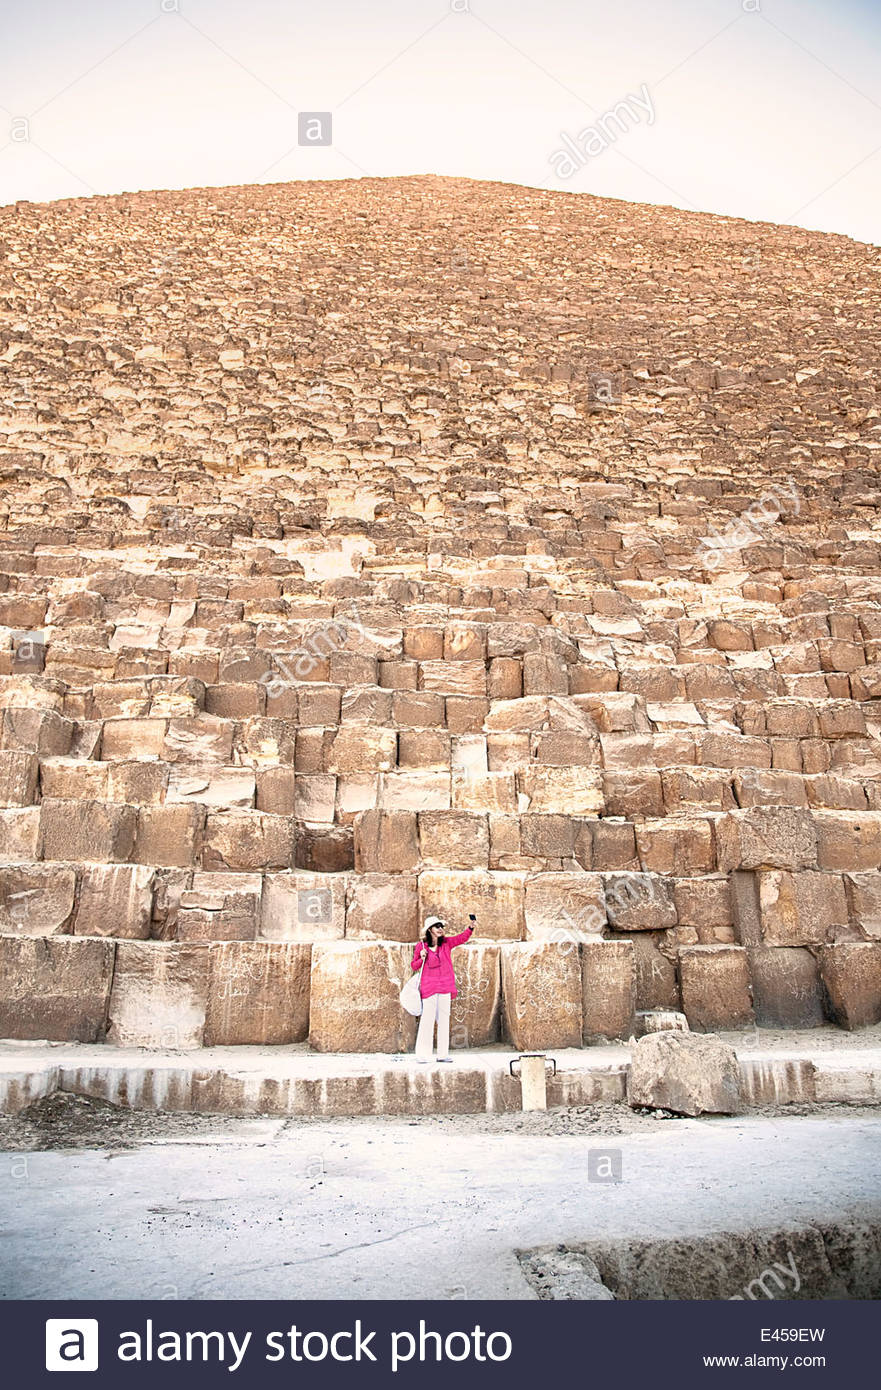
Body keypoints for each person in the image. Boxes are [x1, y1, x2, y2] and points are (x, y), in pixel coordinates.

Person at [411, 913, 475, 1063]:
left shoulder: (446, 943)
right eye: (437, 926)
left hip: (445, 986)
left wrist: (470, 928)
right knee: (427, 1019)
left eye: (441, 926)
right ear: (430, 930)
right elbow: (414, 966)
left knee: (444, 1020)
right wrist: (421, 957)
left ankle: (442, 1054)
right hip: (429, 987)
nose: (440, 929)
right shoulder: (421, 946)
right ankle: (423, 1055)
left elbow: (461, 938)